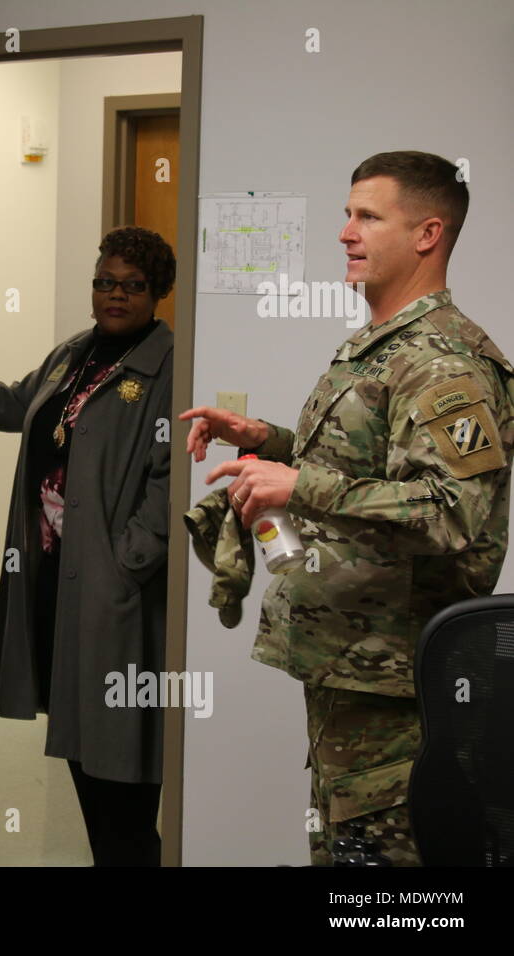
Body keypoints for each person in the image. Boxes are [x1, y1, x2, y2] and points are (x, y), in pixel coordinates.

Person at [182, 151, 514, 865]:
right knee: (346, 857)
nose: (345, 232)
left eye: (367, 216)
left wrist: (296, 486)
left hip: (399, 683)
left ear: (428, 234)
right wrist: (265, 440)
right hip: (351, 669)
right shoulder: (379, 348)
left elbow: (456, 512)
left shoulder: (441, 361)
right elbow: (362, 472)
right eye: (347, 214)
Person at [0, 226, 174, 866]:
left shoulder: (168, 365)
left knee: (123, 762)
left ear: (157, 293)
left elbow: (171, 480)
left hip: (117, 596)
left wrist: (126, 564)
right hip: (56, 581)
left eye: (132, 286)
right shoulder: (74, 355)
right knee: (82, 747)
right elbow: (12, 404)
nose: (115, 295)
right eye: (104, 282)